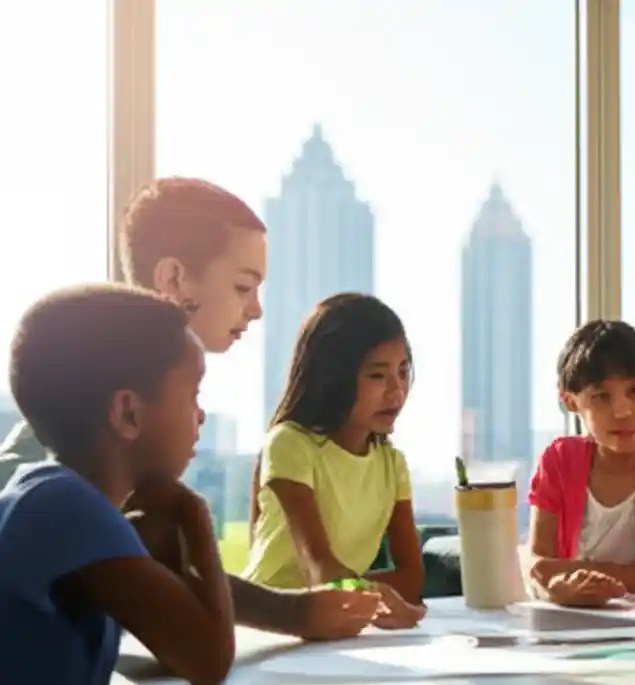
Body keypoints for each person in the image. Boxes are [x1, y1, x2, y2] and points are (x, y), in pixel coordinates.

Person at [0, 178, 380, 641]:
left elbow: (146, 570)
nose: (256, 310)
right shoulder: (74, 432)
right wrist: (291, 614)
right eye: (243, 286)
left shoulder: (136, 407)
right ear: (174, 278)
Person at [0, 285, 234, 685]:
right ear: (128, 413)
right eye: (193, 394)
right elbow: (207, 658)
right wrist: (193, 516)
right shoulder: (66, 508)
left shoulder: (45, 498)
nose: (200, 415)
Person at [243, 293, 425, 627]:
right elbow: (319, 568)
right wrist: (374, 596)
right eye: (377, 375)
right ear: (334, 376)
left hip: (336, 626)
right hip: (268, 627)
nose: (396, 391)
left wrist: (362, 595)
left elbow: (411, 579)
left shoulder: (392, 464)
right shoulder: (290, 445)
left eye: (402, 372)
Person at [527, 320, 635, 607]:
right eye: (601, 397)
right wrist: (559, 589)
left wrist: (579, 576)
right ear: (571, 402)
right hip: (571, 615)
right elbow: (539, 566)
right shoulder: (558, 460)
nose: (622, 411)